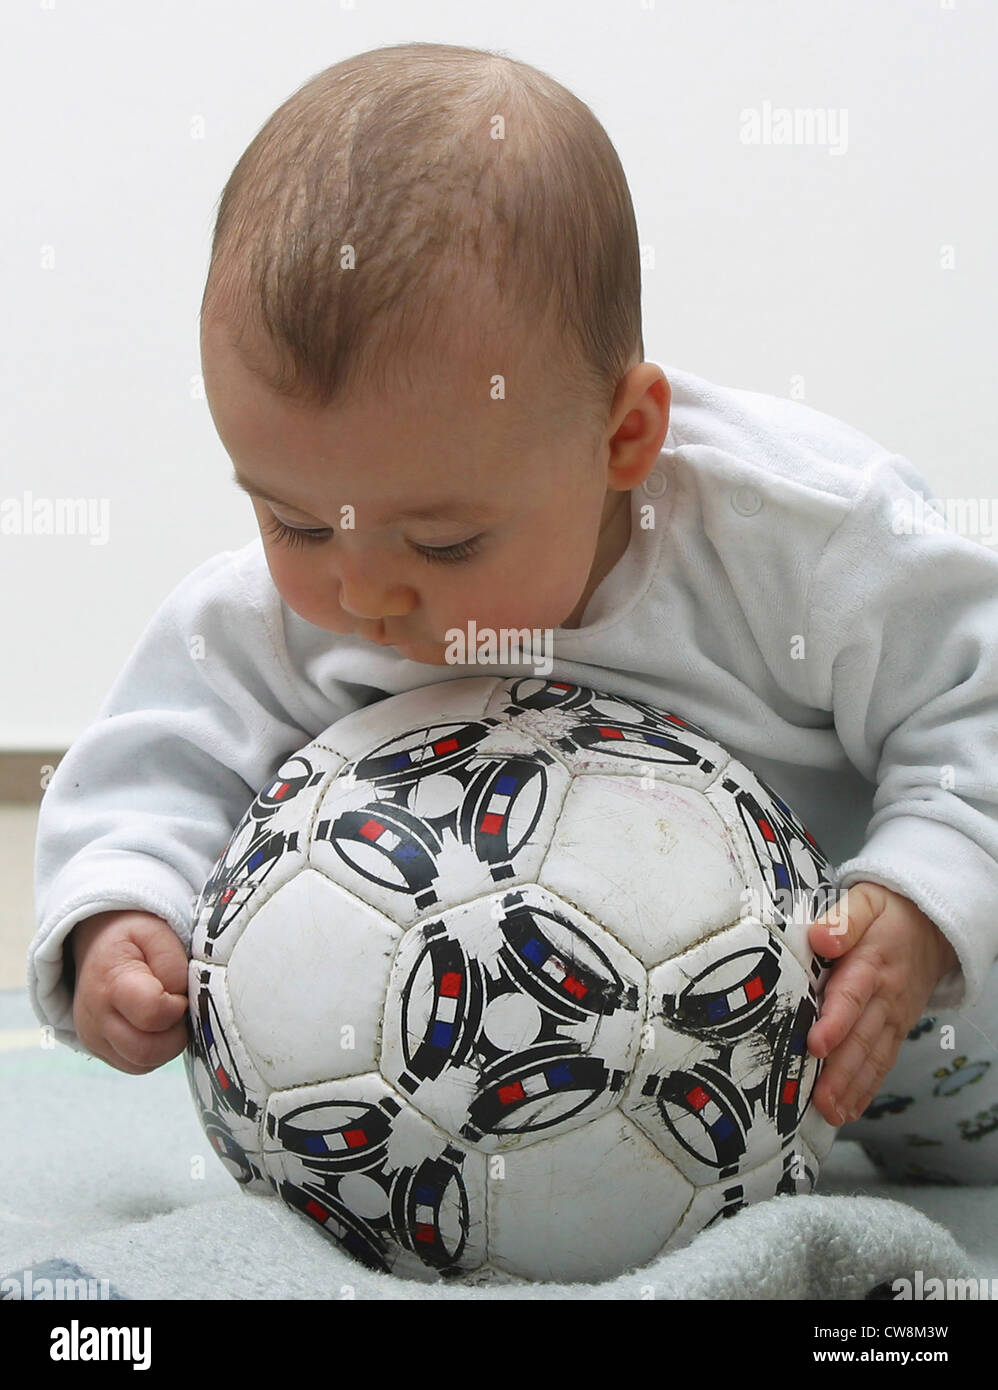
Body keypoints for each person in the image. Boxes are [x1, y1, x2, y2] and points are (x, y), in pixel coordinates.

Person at [30, 42, 998, 1185]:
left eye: (442, 543)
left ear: (622, 437)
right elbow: (158, 757)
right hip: (614, 1121)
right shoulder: (281, 609)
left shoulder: (797, 537)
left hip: (941, 1037)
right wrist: (119, 912)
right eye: (293, 522)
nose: (363, 592)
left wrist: (930, 887)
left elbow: (970, 690)